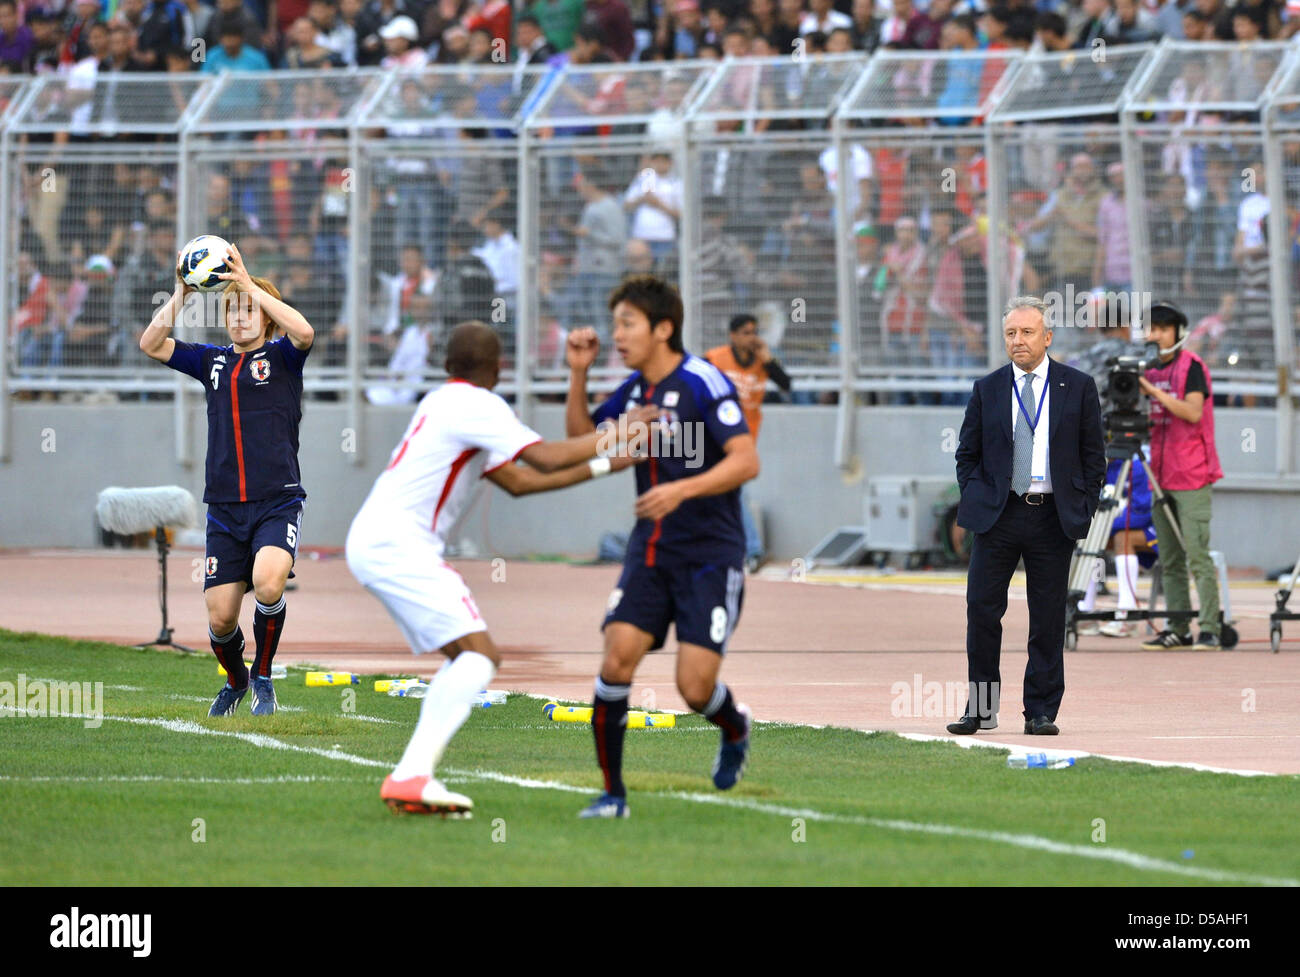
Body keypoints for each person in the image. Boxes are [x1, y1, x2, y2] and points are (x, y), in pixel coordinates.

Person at [345, 321, 655, 816]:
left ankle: (413, 775)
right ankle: (412, 775)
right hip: (400, 545)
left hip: (376, 539)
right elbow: (545, 459)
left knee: (465, 659)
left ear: (448, 364)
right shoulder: (479, 404)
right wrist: (622, 430)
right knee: (480, 657)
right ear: (498, 368)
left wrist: (607, 464)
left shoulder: (441, 401)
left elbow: (518, 482)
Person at [564, 275, 760, 818]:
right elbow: (583, 441)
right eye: (616, 324)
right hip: (650, 550)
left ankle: (734, 726)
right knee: (616, 660)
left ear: (663, 328)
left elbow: (746, 461)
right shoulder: (635, 390)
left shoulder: (703, 381)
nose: (618, 335)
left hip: (710, 554)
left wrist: (680, 489)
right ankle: (613, 796)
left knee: (694, 689)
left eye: (628, 324)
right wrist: (578, 374)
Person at [139, 243, 315, 717]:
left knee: (269, 585)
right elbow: (151, 344)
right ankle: (236, 680)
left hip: (277, 501)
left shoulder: (283, 357)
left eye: (248, 309)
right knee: (220, 620)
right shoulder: (211, 361)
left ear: (266, 318)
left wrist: (247, 283)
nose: (239, 318)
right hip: (224, 509)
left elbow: (304, 331)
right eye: (232, 310)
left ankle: (263, 676)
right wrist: (181, 294)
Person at [949, 296, 1105, 736]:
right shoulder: (988, 388)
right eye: (1011, 333)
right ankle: (981, 709)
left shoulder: (1077, 386)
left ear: (1047, 336)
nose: (1018, 340)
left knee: (1048, 616)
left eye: (1027, 332)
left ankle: (1040, 711)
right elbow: (967, 453)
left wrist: (1083, 505)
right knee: (982, 610)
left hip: (1051, 516)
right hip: (998, 516)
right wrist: (977, 496)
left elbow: (1094, 456)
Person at [1138, 301, 1225, 650]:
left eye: (1163, 329)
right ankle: (1178, 628)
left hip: (1191, 473)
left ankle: (1210, 628)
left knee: (1197, 555)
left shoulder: (1192, 366)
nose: (1156, 335)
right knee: (1169, 559)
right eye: (1151, 328)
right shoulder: (1145, 369)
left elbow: (1191, 411)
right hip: (1158, 474)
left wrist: (1153, 392)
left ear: (1178, 332)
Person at [705, 313, 792, 571]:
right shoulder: (716, 358)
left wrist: (768, 358)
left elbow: (786, 384)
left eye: (754, 332)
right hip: (714, 435)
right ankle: (752, 550)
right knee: (735, 491)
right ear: (732, 336)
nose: (751, 338)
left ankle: (733, 549)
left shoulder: (761, 362)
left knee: (730, 491)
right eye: (745, 333)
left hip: (744, 438)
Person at [1075, 450, 1159, 638]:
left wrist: (1104, 526)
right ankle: (1085, 611)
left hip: (1154, 527)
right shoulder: (1102, 466)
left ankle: (1127, 614)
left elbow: (1143, 513)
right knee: (1092, 540)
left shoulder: (1137, 466)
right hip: (1119, 526)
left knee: (1121, 537)